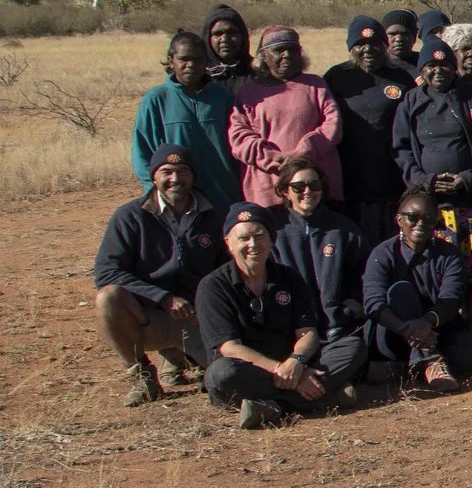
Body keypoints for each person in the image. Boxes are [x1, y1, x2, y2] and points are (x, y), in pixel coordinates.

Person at [197, 204, 364, 429]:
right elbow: (230, 348)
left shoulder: (288, 277)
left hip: (292, 362)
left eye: (259, 236)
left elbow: (308, 333)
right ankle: (324, 396)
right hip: (250, 369)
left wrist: (296, 362)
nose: (253, 244)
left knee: (353, 346)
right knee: (222, 373)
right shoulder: (213, 286)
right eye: (244, 238)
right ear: (228, 243)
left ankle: (274, 407)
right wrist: (281, 370)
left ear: (272, 239)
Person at [96, 144, 223, 406]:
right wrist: (162, 297)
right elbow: (107, 272)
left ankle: (189, 360)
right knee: (107, 298)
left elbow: (227, 271)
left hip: (196, 318)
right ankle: (142, 376)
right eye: (166, 172)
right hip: (147, 317)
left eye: (183, 171)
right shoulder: (130, 216)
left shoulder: (214, 215)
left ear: (193, 176)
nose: (175, 179)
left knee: (227, 376)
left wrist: (207, 307)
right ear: (153, 176)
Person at [393, 37, 472, 264]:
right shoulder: (411, 102)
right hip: (433, 205)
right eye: (431, 66)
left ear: (453, 67)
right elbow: (401, 149)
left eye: (444, 65)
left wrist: (467, 178)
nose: (438, 71)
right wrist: (425, 182)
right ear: (422, 70)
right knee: (443, 270)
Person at [360, 188, 472, 392]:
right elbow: (373, 303)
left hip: (435, 329)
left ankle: (403, 370)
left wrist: (426, 323)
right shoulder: (382, 254)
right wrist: (407, 330)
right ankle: (432, 363)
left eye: (428, 219)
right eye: (413, 217)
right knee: (401, 291)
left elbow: (451, 298)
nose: (420, 224)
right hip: (395, 334)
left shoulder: (449, 255)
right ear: (399, 219)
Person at [229, 26, 343, 208]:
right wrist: (275, 159)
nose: (287, 55)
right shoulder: (249, 92)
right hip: (268, 187)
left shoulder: (316, 85)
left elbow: (333, 125)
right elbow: (239, 137)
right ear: (264, 56)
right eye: (279, 50)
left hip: (313, 186)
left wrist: (305, 152)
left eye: (292, 49)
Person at [267, 158, 370, 353]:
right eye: (298, 187)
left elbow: (366, 274)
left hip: (339, 330)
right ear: (284, 191)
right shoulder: (273, 230)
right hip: (291, 333)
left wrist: (351, 308)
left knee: (355, 351)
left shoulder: (342, 228)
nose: (308, 192)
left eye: (314, 185)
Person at [324, 15, 414, 236]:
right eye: (360, 44)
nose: (368, 50)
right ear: (350, 48)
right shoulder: (336, 76)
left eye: (375, 43)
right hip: (349, 178)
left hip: (392, 177)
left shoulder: (402, 77)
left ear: (385, 45)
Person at [134, 30, 243, 210]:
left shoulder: (222, 97)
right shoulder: (156, 100)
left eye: (198, 60)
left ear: (207, 62)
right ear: (171, 61)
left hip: (223, 194)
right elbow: (142, 153)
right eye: (184, 59)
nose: (191, 65)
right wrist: (158, 192)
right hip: (178, 196)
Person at [201, 3, 253, 88]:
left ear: (243, 36)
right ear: (207, 38)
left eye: (232, 32)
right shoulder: (198, 75)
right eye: (217, 34)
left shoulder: (259, 73)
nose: (225, 39)